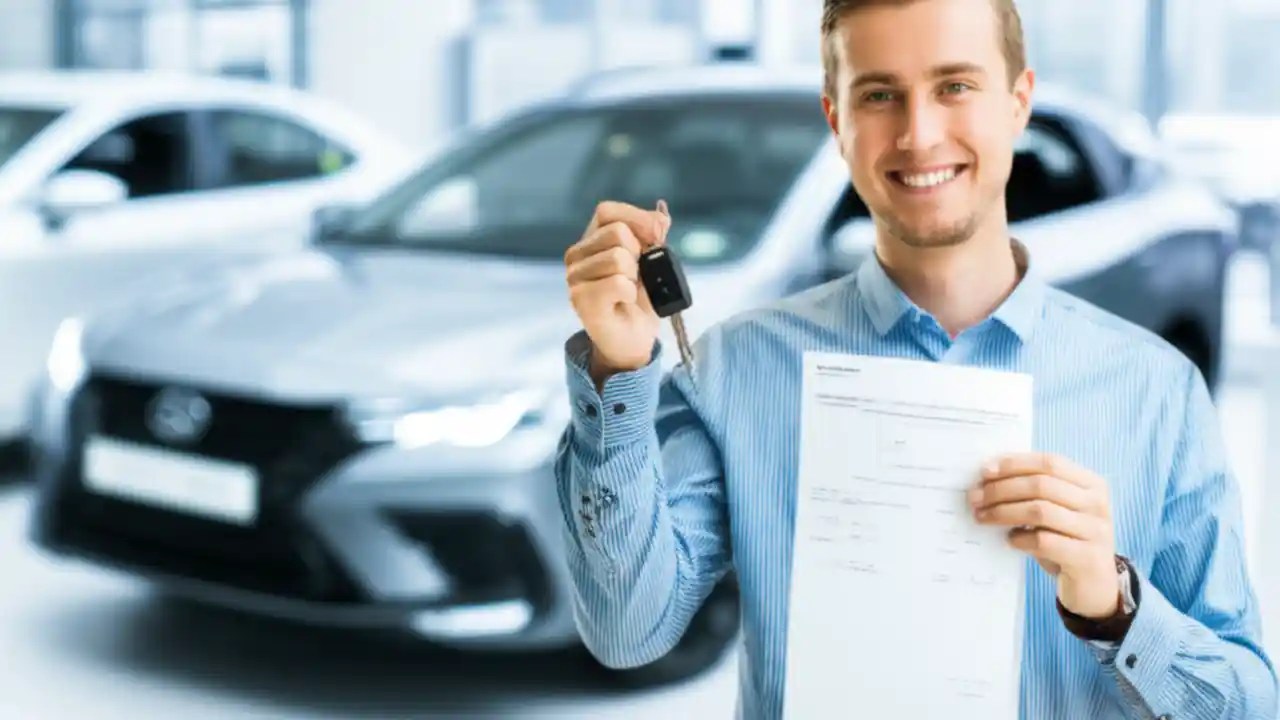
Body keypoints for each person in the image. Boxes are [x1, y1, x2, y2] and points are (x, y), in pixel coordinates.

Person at [555, 0, 1279, 716]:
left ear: (1018, 103)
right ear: (837, 121)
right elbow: (627, 632)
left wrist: (1117, 608)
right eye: (879, 95)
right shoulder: (735, 369)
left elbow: (1248, 705)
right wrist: (618, 367)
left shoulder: (1154, 391)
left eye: (954, 86)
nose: (919, 134)